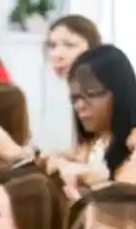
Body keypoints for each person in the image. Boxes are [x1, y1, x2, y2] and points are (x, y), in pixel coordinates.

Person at [48, 44, 136, 194]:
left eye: (91, 94)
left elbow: (128, 194)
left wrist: (89, 177)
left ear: (120, 93)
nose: (80, 105)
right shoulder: (91, 144)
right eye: (75, 98)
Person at [41, 14, 102, 151]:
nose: (57, 54)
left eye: (69, 45)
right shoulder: (61, 94)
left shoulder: (103, 96)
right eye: (52, 46)